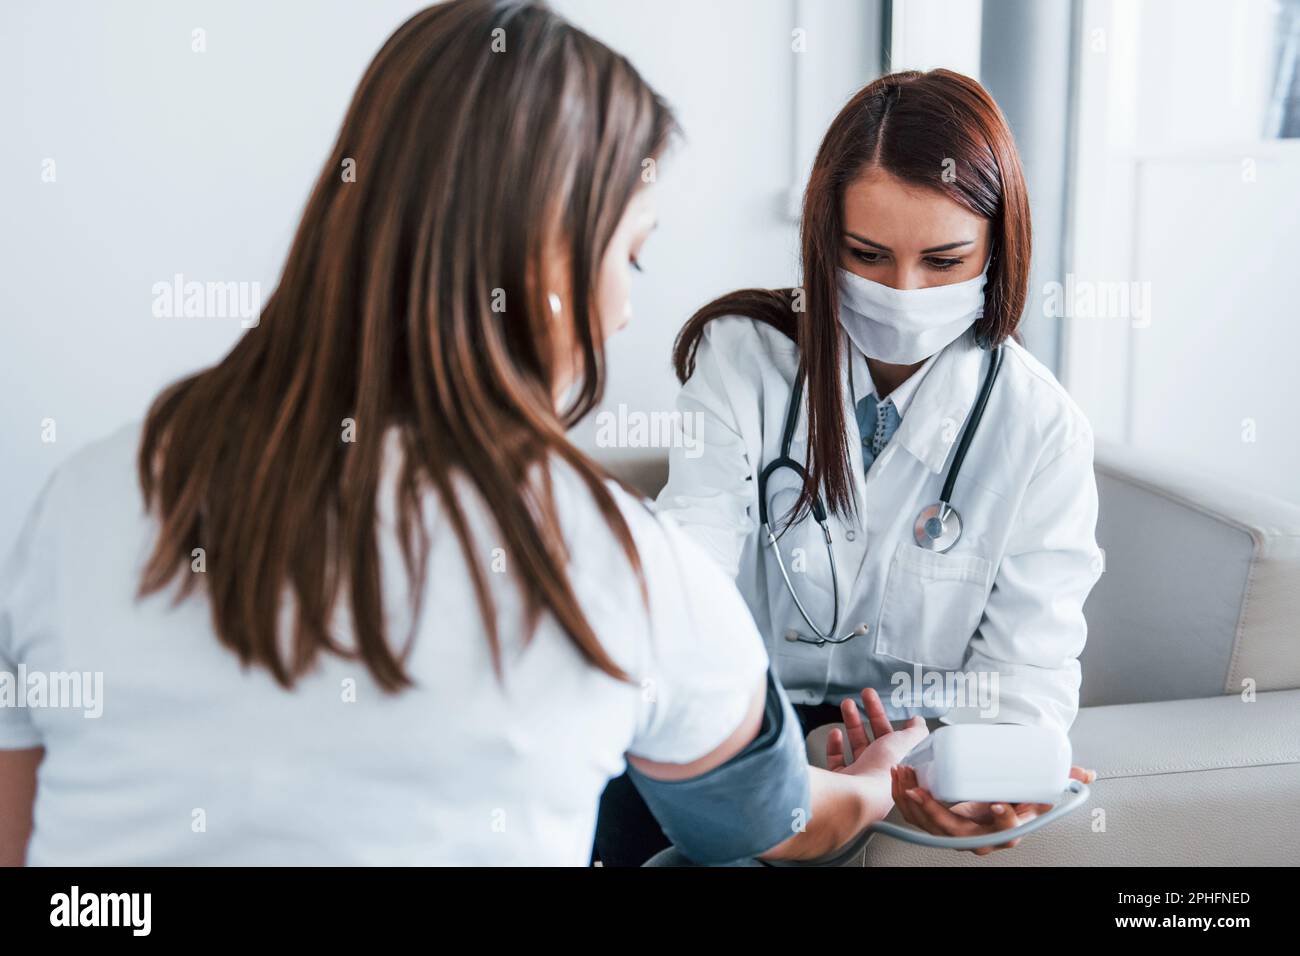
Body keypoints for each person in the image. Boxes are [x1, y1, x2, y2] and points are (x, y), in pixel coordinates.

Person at [0, 0, 932, 868]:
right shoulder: (615, 565)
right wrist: (867, 782)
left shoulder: (85, 497)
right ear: (546, 265)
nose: (621, 312)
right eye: (632, 254)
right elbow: (766, 822)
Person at [596, 69, 1099, 865]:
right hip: (738, 728)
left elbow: (1025, 682)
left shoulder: (1041, 429)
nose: (903, 292)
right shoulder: (744, 359)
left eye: (944, 260)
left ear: (999, 249)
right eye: (867, 255)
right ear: (823, 241)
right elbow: (690, 569)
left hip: (913, 750)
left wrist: (964, 769)